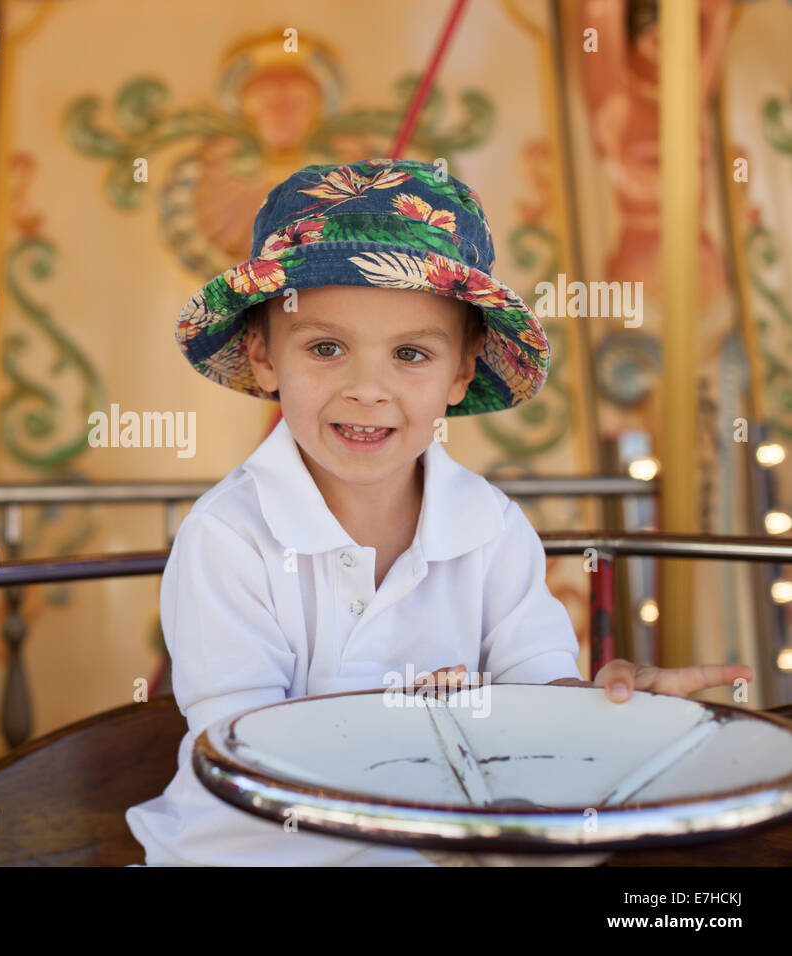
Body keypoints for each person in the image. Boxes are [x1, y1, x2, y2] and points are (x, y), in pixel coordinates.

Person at [125, 159, 752, 866]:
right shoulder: (227, 537)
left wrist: (615, 714)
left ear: (461, 371)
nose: (368, 389)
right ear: (264, 356)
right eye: (326, 348)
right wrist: (416, 732)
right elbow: (246, 748)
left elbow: (538, 694)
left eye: (411, 354)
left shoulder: (491, 526)